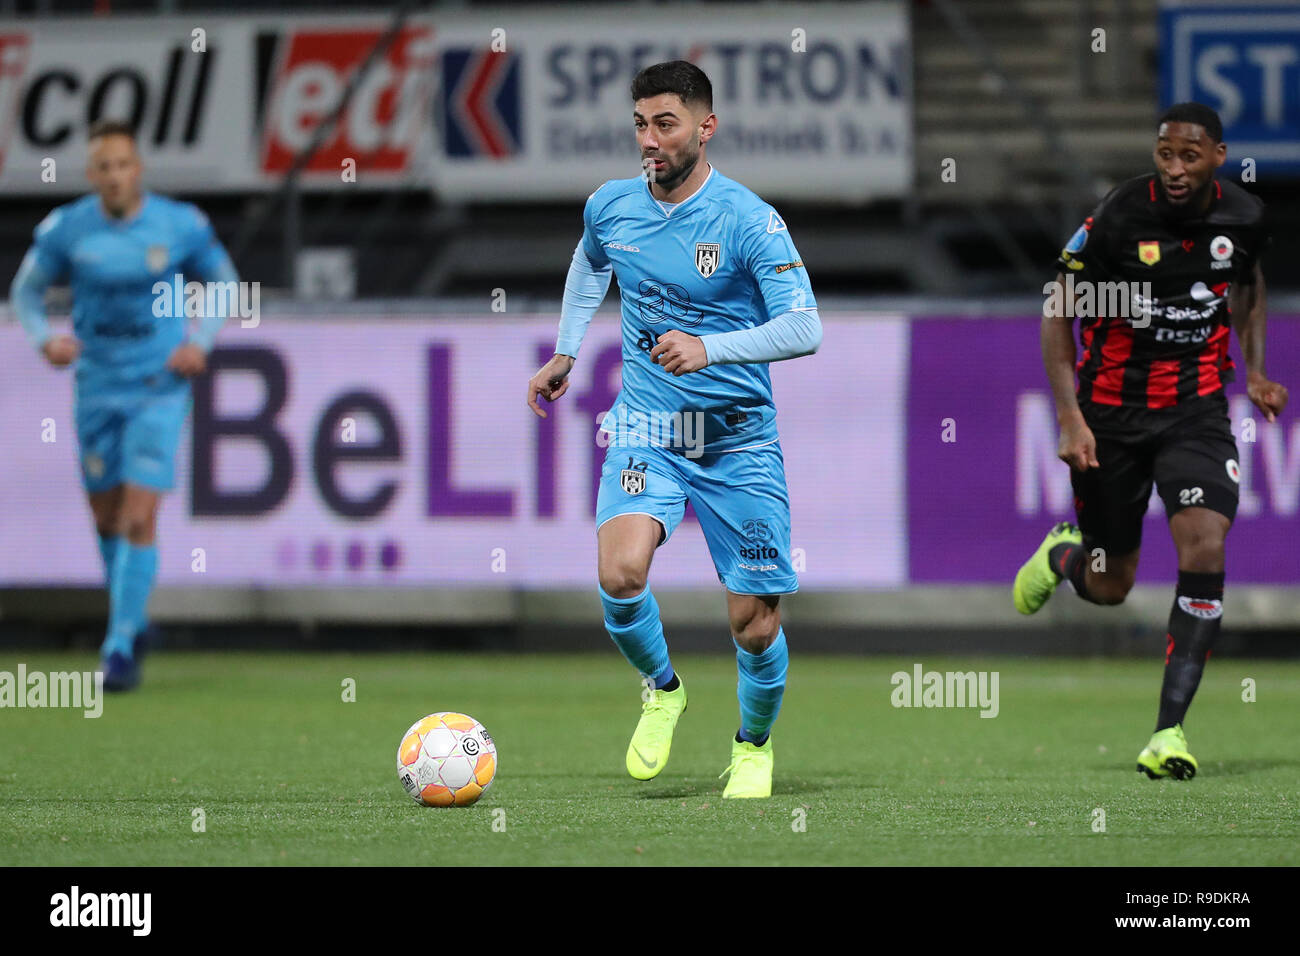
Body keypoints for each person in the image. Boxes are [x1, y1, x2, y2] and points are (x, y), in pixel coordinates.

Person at [526, 61, 821, 798]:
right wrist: (567, 348)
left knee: (754, 625)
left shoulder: (749, 220)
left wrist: (710, 346)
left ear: (704, 127)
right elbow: (590, 262)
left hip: (736, 438)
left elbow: (805, 325)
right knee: (619, 575)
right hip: (649, 428)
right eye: (640, 124)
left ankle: (752, 746)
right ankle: (663, 687)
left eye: (666, 124)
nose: (649, 140)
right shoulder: (612, 206)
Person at [1013, 102, 1287, 779]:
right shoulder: (1117, 218)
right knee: (1111, 585)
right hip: (1110, 416)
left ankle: (1169, 731)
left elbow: (1247, 286)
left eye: (1189, 155)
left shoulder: (1244, 219)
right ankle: (1064, 559)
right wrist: (1070, 419)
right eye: (1165, 153)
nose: (1173, 167)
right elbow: (1059, 312)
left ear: (1217, 158)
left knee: (1206, 540)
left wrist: (1253, 370)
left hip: (1194, 411)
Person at [10, 119, 240, 691]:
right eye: (102, 168)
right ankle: (134, 622)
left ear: (138, 169)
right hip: (96, 385)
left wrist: (201, 341)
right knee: (106, 518)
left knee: (139, 515)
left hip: (157, 386)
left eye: (122, 165)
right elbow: (25, 292)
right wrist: (44, 339)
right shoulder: (68, 229)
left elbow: (224, 282)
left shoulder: (178, 224)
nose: (114, 176)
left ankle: (116, 648)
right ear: (92, 176)